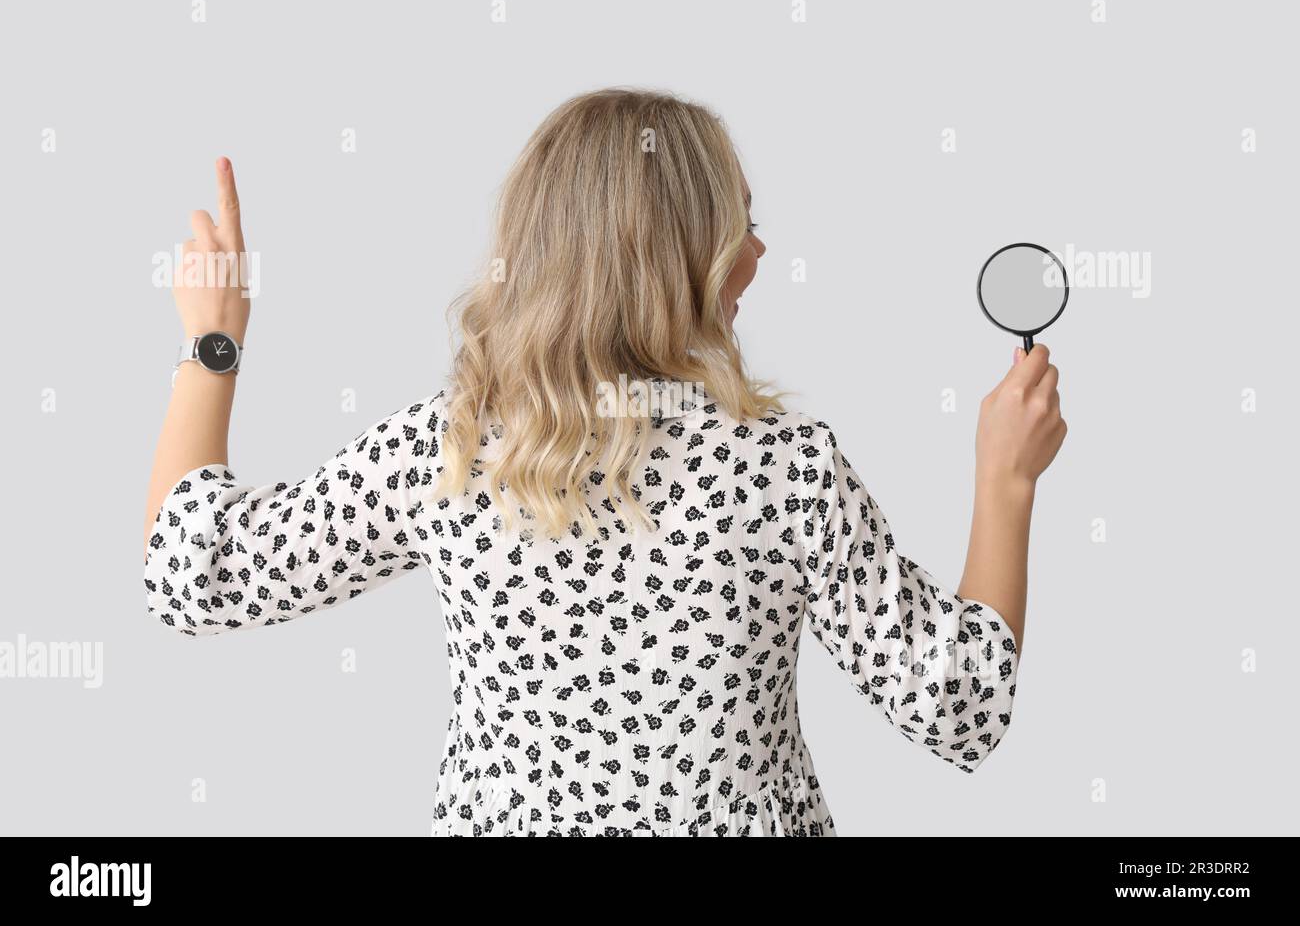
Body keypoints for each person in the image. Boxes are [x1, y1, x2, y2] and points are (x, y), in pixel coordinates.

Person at [142, 87, 1066, 836]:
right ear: (673, 258)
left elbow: (195, 577)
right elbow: (957, 704)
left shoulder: (451, 449)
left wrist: (213, 343)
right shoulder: (785, 469)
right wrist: (1006, 479)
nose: (759, 251)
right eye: (737, 224)